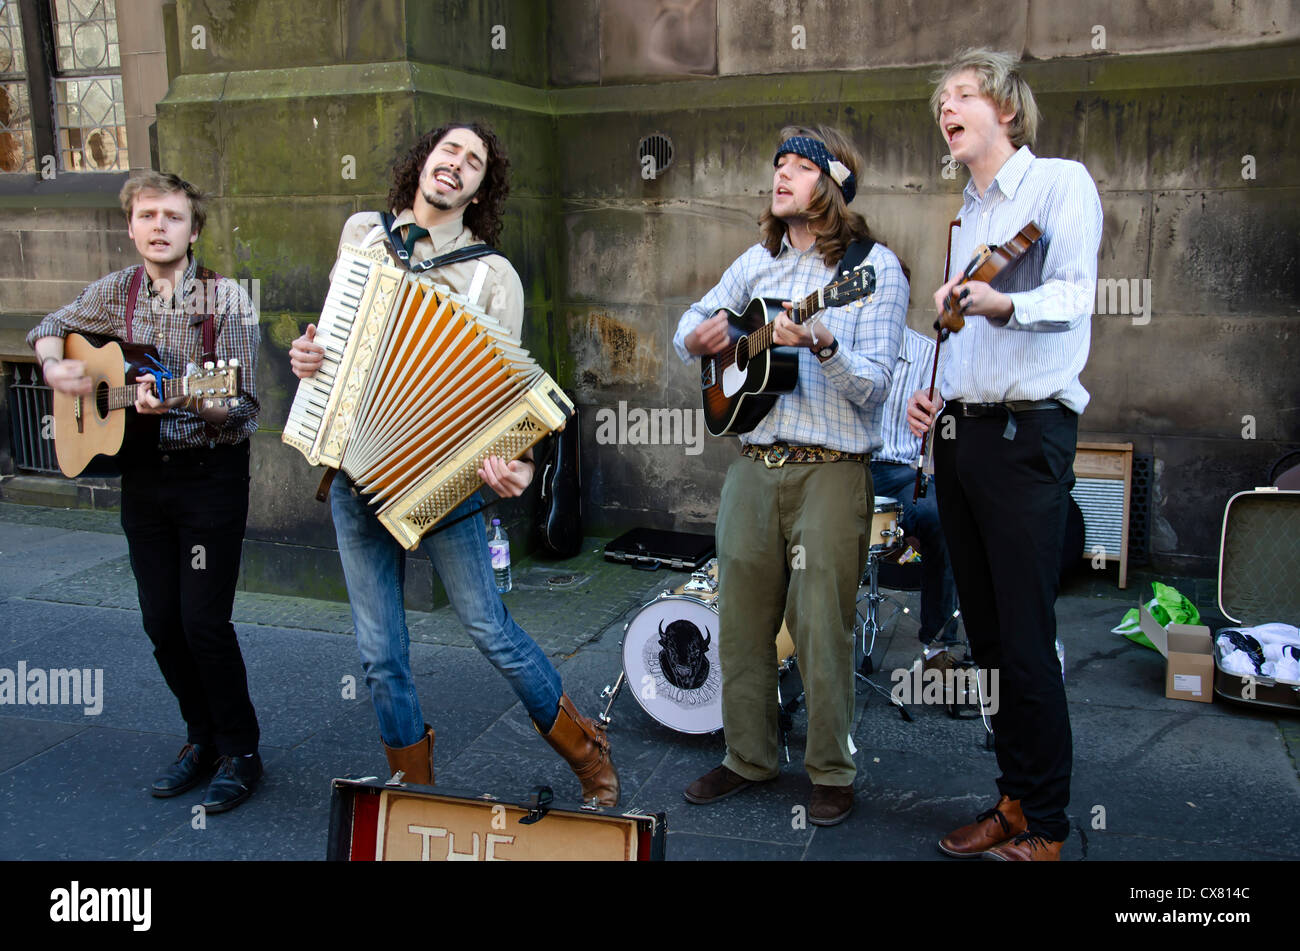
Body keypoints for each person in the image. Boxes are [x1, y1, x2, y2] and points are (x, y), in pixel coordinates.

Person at [288, 122, 618, 806]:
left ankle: (588, 753)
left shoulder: (492, 275)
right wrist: (308, 359)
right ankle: (414, 795)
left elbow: (505, 401)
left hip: (443, 484)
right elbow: (332, 343)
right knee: (380, 655)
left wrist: (510, 467)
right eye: (450, 152)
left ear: (479, 188)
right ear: (424, 162)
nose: (458, 165)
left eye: (474, 162)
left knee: (489, 630)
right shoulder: (362, 233)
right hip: (355, 471)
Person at [674, 124, 908, 826]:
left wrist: (826, 344)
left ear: (832, 185)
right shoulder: (756, 263)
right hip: (753, 463)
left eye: (800, 166)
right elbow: (691, 321)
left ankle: (831, 768)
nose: (780, 174)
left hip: (831, 470)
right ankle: (749, 755)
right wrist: (699, 336)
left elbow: (873, 389)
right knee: (740, 617)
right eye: (777, 163)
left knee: (819, 624)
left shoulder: (874, 270)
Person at [907, 49, 1102, 860]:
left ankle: (1050, 825)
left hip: (1028, 434)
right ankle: (1014, 797)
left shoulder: (1060, 184)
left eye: (961, 95)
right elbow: (961, 338)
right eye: (939, 101)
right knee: (985, 638)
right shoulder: (968, 214)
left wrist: (1004, 302)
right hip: (964, 434)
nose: (945, 109)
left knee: (1024, 638)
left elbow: (1073, 295)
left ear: (1006, 110)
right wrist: (932, 395)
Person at [29, 171, 263, 813]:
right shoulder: (116, 292)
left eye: (173, 217)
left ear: (193, 229)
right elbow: (49, 325)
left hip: (210, 474)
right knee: (160, 621)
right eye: (147, 215)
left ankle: (241, 748)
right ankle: (201, 737)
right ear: (132, 225)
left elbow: (240, 409)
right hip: (145, 477)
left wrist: (194, 403)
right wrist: (59, 367)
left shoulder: (229, 303)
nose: (159, 226)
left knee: (202, 622)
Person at [871, 326, 961, 672]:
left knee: (941, 517)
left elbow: (941, 398)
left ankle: (938, 644)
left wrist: (936, 398)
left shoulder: (930, 353)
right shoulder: (840, 341)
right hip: (843, 464)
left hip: (899, 471)